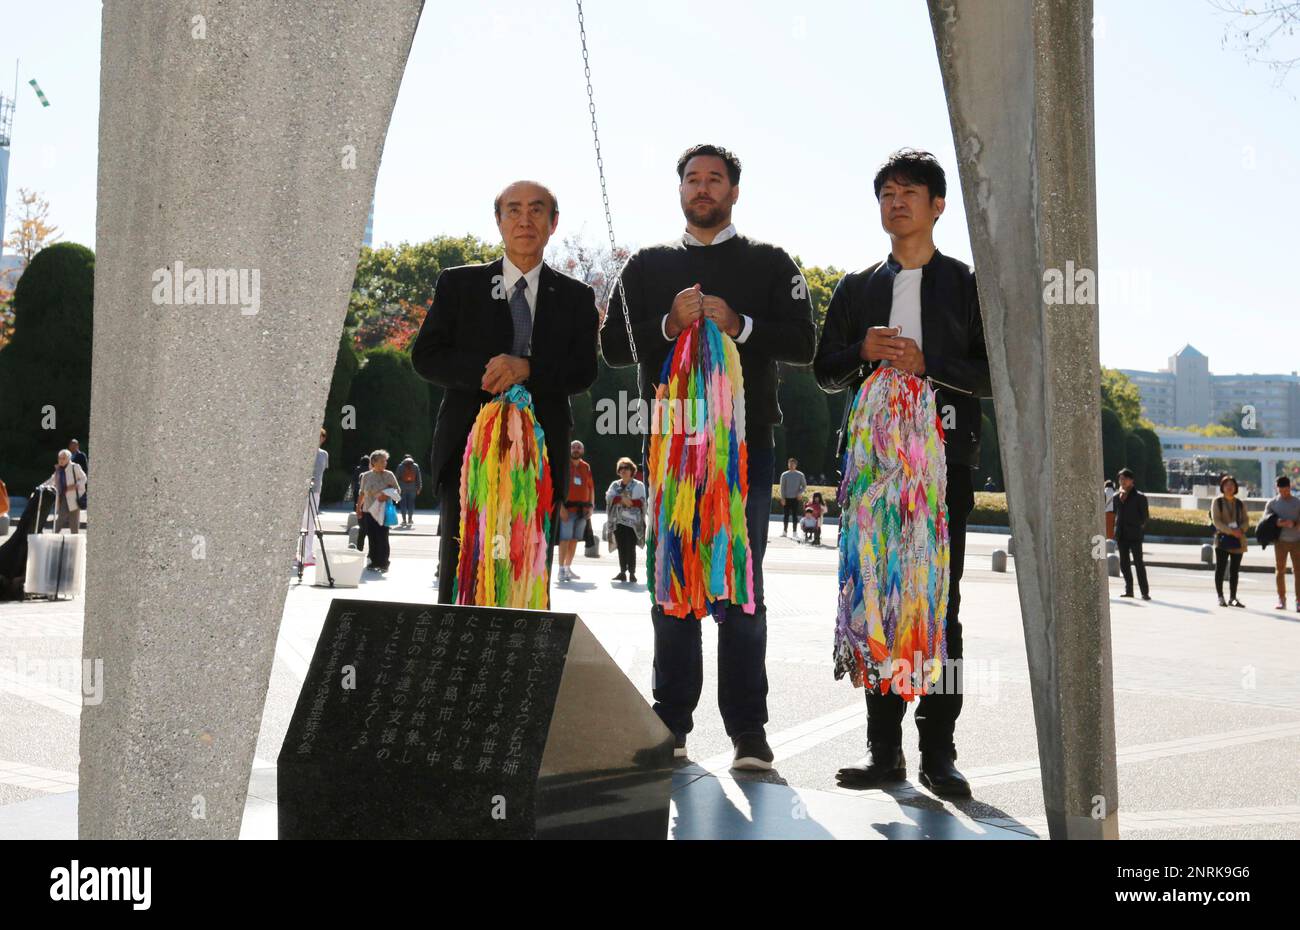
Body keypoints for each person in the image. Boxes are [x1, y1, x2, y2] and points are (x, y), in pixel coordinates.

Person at [600, 143, 816, 770]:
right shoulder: (645, 265)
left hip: (742, 449)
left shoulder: (771, 262)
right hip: (669, 446)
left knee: (740, 583)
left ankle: (749, 729)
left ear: (734, 192)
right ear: (680, 191)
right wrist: (667, 325)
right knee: (673, 583)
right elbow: (615, 346)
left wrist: (740, 323)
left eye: (714, 180)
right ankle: (670, 721)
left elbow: (804, 342)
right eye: (692, 179)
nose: (703, 189)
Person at [814, 149, 991, 798]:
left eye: (909, 191)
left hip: (945, 469)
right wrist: (860, 350)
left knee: (940, 606)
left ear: (938, 204)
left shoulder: (969, 285)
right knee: (876, 600)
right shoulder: (858, 287)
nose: (896, 202)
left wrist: (929, 362)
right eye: (886, 192)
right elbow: (825, 369)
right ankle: (882, 751)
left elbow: (994, 374)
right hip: (872, 473)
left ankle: (938, 753)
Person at [412, 180, 599, 604]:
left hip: (539, 460)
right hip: (467, 455)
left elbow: (584, 371)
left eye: (537, 210)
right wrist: (487, 372)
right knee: (463, 578)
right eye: (513, 210)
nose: (525, 219)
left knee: (526, 578)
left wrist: (528, 369)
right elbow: (426, 357)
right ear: (498, 221)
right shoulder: (460, 286)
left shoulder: (575, 296)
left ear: (554, 223)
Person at [355, 449, 399, 573]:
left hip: (383, 511)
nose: (385, 463)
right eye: (382, 461)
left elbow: (398, 491)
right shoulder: (366, 476)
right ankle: (374, 562)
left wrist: (387, 494)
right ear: (373, 462)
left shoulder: (389, 475)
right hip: (368, 511)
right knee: (372, 537)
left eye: (385, 461)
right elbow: (362, 493)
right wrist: (358, 509)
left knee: (383, 537)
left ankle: (384, 562)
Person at [557, 440, 594, 582]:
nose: (576, 449)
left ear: (582, 451)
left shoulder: (586, 467)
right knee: (564, 539)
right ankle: (560, 569)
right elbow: (558, 487)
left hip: (582, 510)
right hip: (567, 509)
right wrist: (561, 508)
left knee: (574, 540)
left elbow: (591, 488)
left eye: (578, 447)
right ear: (569, 449)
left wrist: (591, 507)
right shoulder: (564, 465)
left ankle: (567, 568)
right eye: (573, 447)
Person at [605, 457, 646, 583]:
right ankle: (622, 571)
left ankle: (632, 573)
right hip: (617, 521)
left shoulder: (638, 485)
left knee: (630, 547)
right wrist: (622, 500)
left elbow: (641, 502)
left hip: (633, 523)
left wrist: (628, 501)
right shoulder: (615, 484)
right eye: (621, 468)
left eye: (626, 468)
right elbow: (609, 497)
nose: (624, 470)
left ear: (631, 470)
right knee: (621, 547)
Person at [1210, 474, 1248, 608]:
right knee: (1220, 569)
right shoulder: (1217, 502)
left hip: (1238, 540)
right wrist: (1232, 531)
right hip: (1223, 539)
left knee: (1235, 570)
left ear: (1236, 487)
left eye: (1232, 485)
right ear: (1222, 487)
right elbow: (1217, 521)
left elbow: (1246, 521)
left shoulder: (1239, 503)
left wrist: (1241, 530)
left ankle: (1233, 597)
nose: (1229, 487)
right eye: (1226, 485)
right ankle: (1220, 596)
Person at [1113, 467, 1150, 600]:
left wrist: (1137, 526)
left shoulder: (1140, 497)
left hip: (1134, 535)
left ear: (1131, 480)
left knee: (1139, 563)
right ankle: (1129, 590)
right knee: (1124, 564)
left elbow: (1145, 517)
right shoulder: (1116, 497)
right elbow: (1114, 514)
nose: (1122, 481)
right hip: (1121, 535)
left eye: (1124, 479)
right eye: (1120, 479)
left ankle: (1145, 592)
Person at [1264, 474, 1300, 611]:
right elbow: (1265, 520)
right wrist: (1277, 522)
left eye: (1287, 490)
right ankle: (1281, 599)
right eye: (1281, 490)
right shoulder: (1272, 503)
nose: (1284, 493)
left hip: (1297, 541)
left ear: (1290, 487)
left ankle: (1298, 600)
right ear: (1277, 488)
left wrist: (1295, 523)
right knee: (1280, 571)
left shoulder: (1297, 502)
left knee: (1298, 572)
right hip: (1280, 542)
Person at [299, 428, 329, 567]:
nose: (319, 439)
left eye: (321, 436)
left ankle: (307, 554)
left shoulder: (324, 454)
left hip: (315, 491)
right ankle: (299, 554)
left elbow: (322, 473)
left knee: (310, 522)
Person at [40, 450, 88, 535]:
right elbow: (52, 480)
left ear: (69, 458)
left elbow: (84, 478)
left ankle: (75, 544)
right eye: (59, 458)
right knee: (60, 520)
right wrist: (41, 487)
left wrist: (76, 485)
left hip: (74, 498)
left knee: (74, 525)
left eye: (63, 458)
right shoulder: (59, 470)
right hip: (63, 498)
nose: (61, 460)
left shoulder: (74, 467)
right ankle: (53, 538)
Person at [779, 458, 807, 536]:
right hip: (786, 498)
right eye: (790, 464)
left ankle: (794, 532)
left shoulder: (800, 475)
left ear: (796, 465)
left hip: (795, 498)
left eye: (793, 464)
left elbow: (804, 486)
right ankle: (784, 531)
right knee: (786, 516)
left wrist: (800, 493)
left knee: (795, 516)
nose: (791, 465)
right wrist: (782, 498)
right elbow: (782, 487)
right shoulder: (784, 475)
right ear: (788, 465)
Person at [395, 453, 422, 528]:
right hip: (413, 488)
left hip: (402, 488)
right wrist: (419, 488)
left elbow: (396, 478)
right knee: (411, 504)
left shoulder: (400, 466)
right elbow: (418, 478)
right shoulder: (415, 466)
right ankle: (410, 519)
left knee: (403, 504)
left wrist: (396, 488)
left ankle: (404, 520)